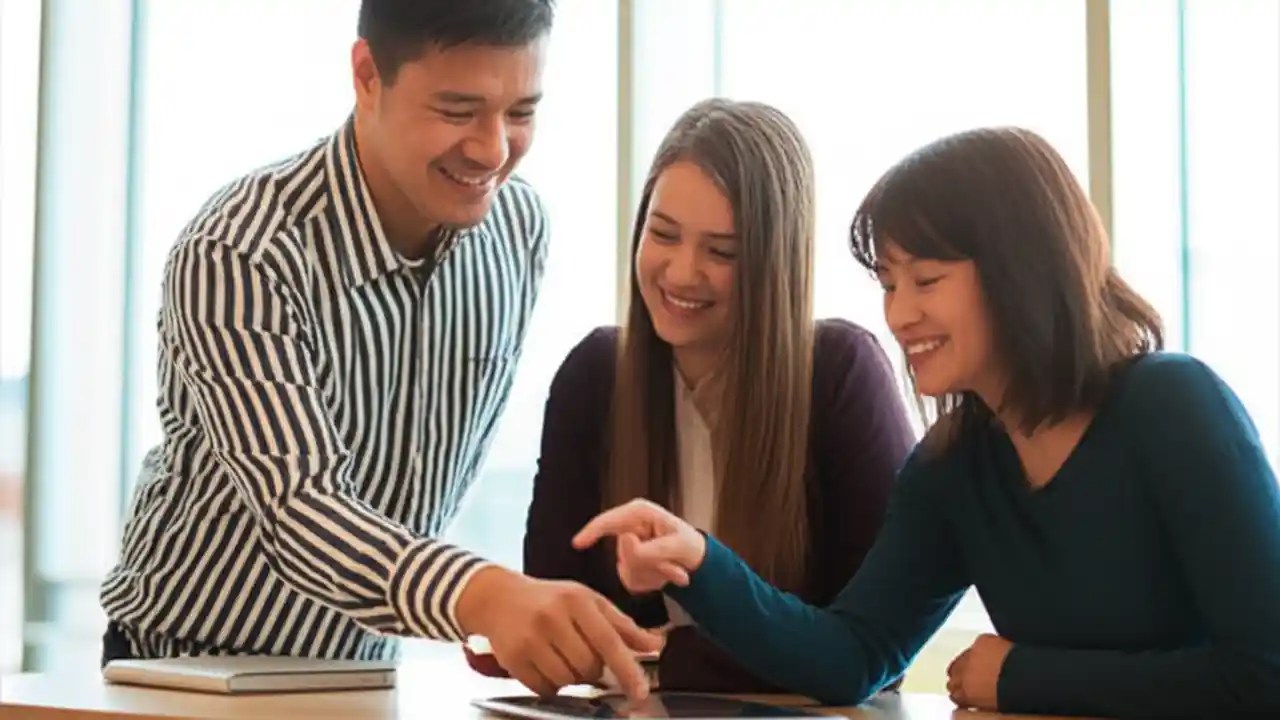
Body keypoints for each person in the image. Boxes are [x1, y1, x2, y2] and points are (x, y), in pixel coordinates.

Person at [573, 126, 1280, 718]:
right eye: (888, 283)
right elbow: (851, 657)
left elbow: (1265, 674)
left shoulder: (1173, 406)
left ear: (1018, 270)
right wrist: (700, 561)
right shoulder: (953, 465)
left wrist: (1019, 675)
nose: (899, 314)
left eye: (926, 281)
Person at [100, 0, 659, 701]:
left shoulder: (518, 228)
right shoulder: (241, 251)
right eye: (458, 111)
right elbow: (301, 508)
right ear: (367, 75)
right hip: (188, 672)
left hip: (367, 669)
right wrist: (482, 594)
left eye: (521, 111)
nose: (492, 149)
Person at [522, 99, 915, 692]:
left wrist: (673, 657)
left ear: (774, 262)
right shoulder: (594, 375)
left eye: (721, 252)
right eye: (663, 233)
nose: (681, 272)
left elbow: (872, 651)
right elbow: (555, 613)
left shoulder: (840, 375)